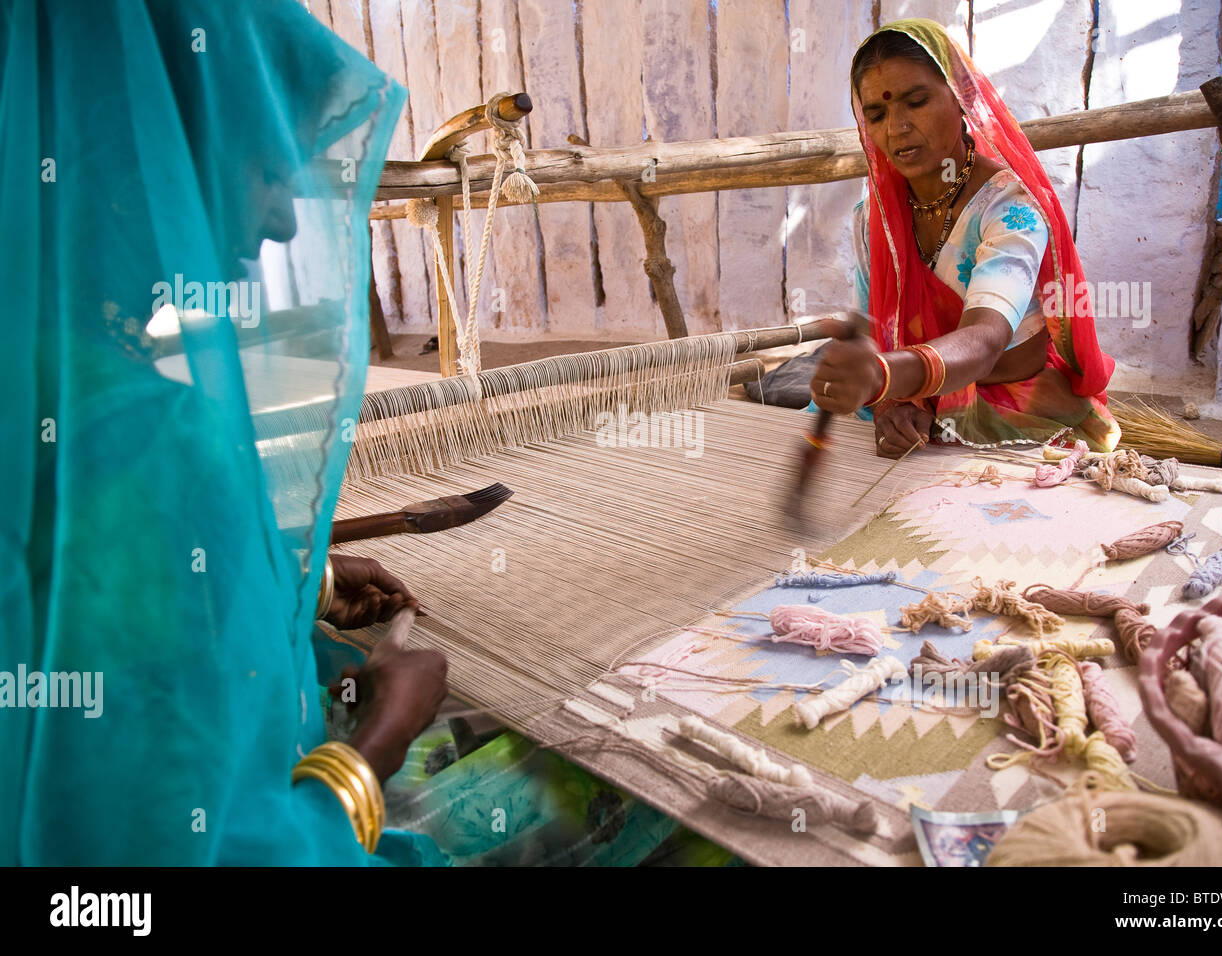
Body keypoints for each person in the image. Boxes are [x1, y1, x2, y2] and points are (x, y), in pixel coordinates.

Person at [2, 0, 731, 866]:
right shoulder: (158, 444)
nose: (281, 221)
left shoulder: (43, 380)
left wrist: (290, 587)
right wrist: (375, 742)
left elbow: (94, 626)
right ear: (151, 157)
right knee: (666, 810)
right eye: (268, 165)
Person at [810, 19, 1120, 458]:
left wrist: (883, 375)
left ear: (964, 98)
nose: (896, 129)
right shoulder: (873, 220)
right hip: (912, 392)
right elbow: (876, 331)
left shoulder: (1011, 210)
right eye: (876, 115)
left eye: (916, 102)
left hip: (1011, 406)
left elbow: (985, 340)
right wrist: (888, 403)